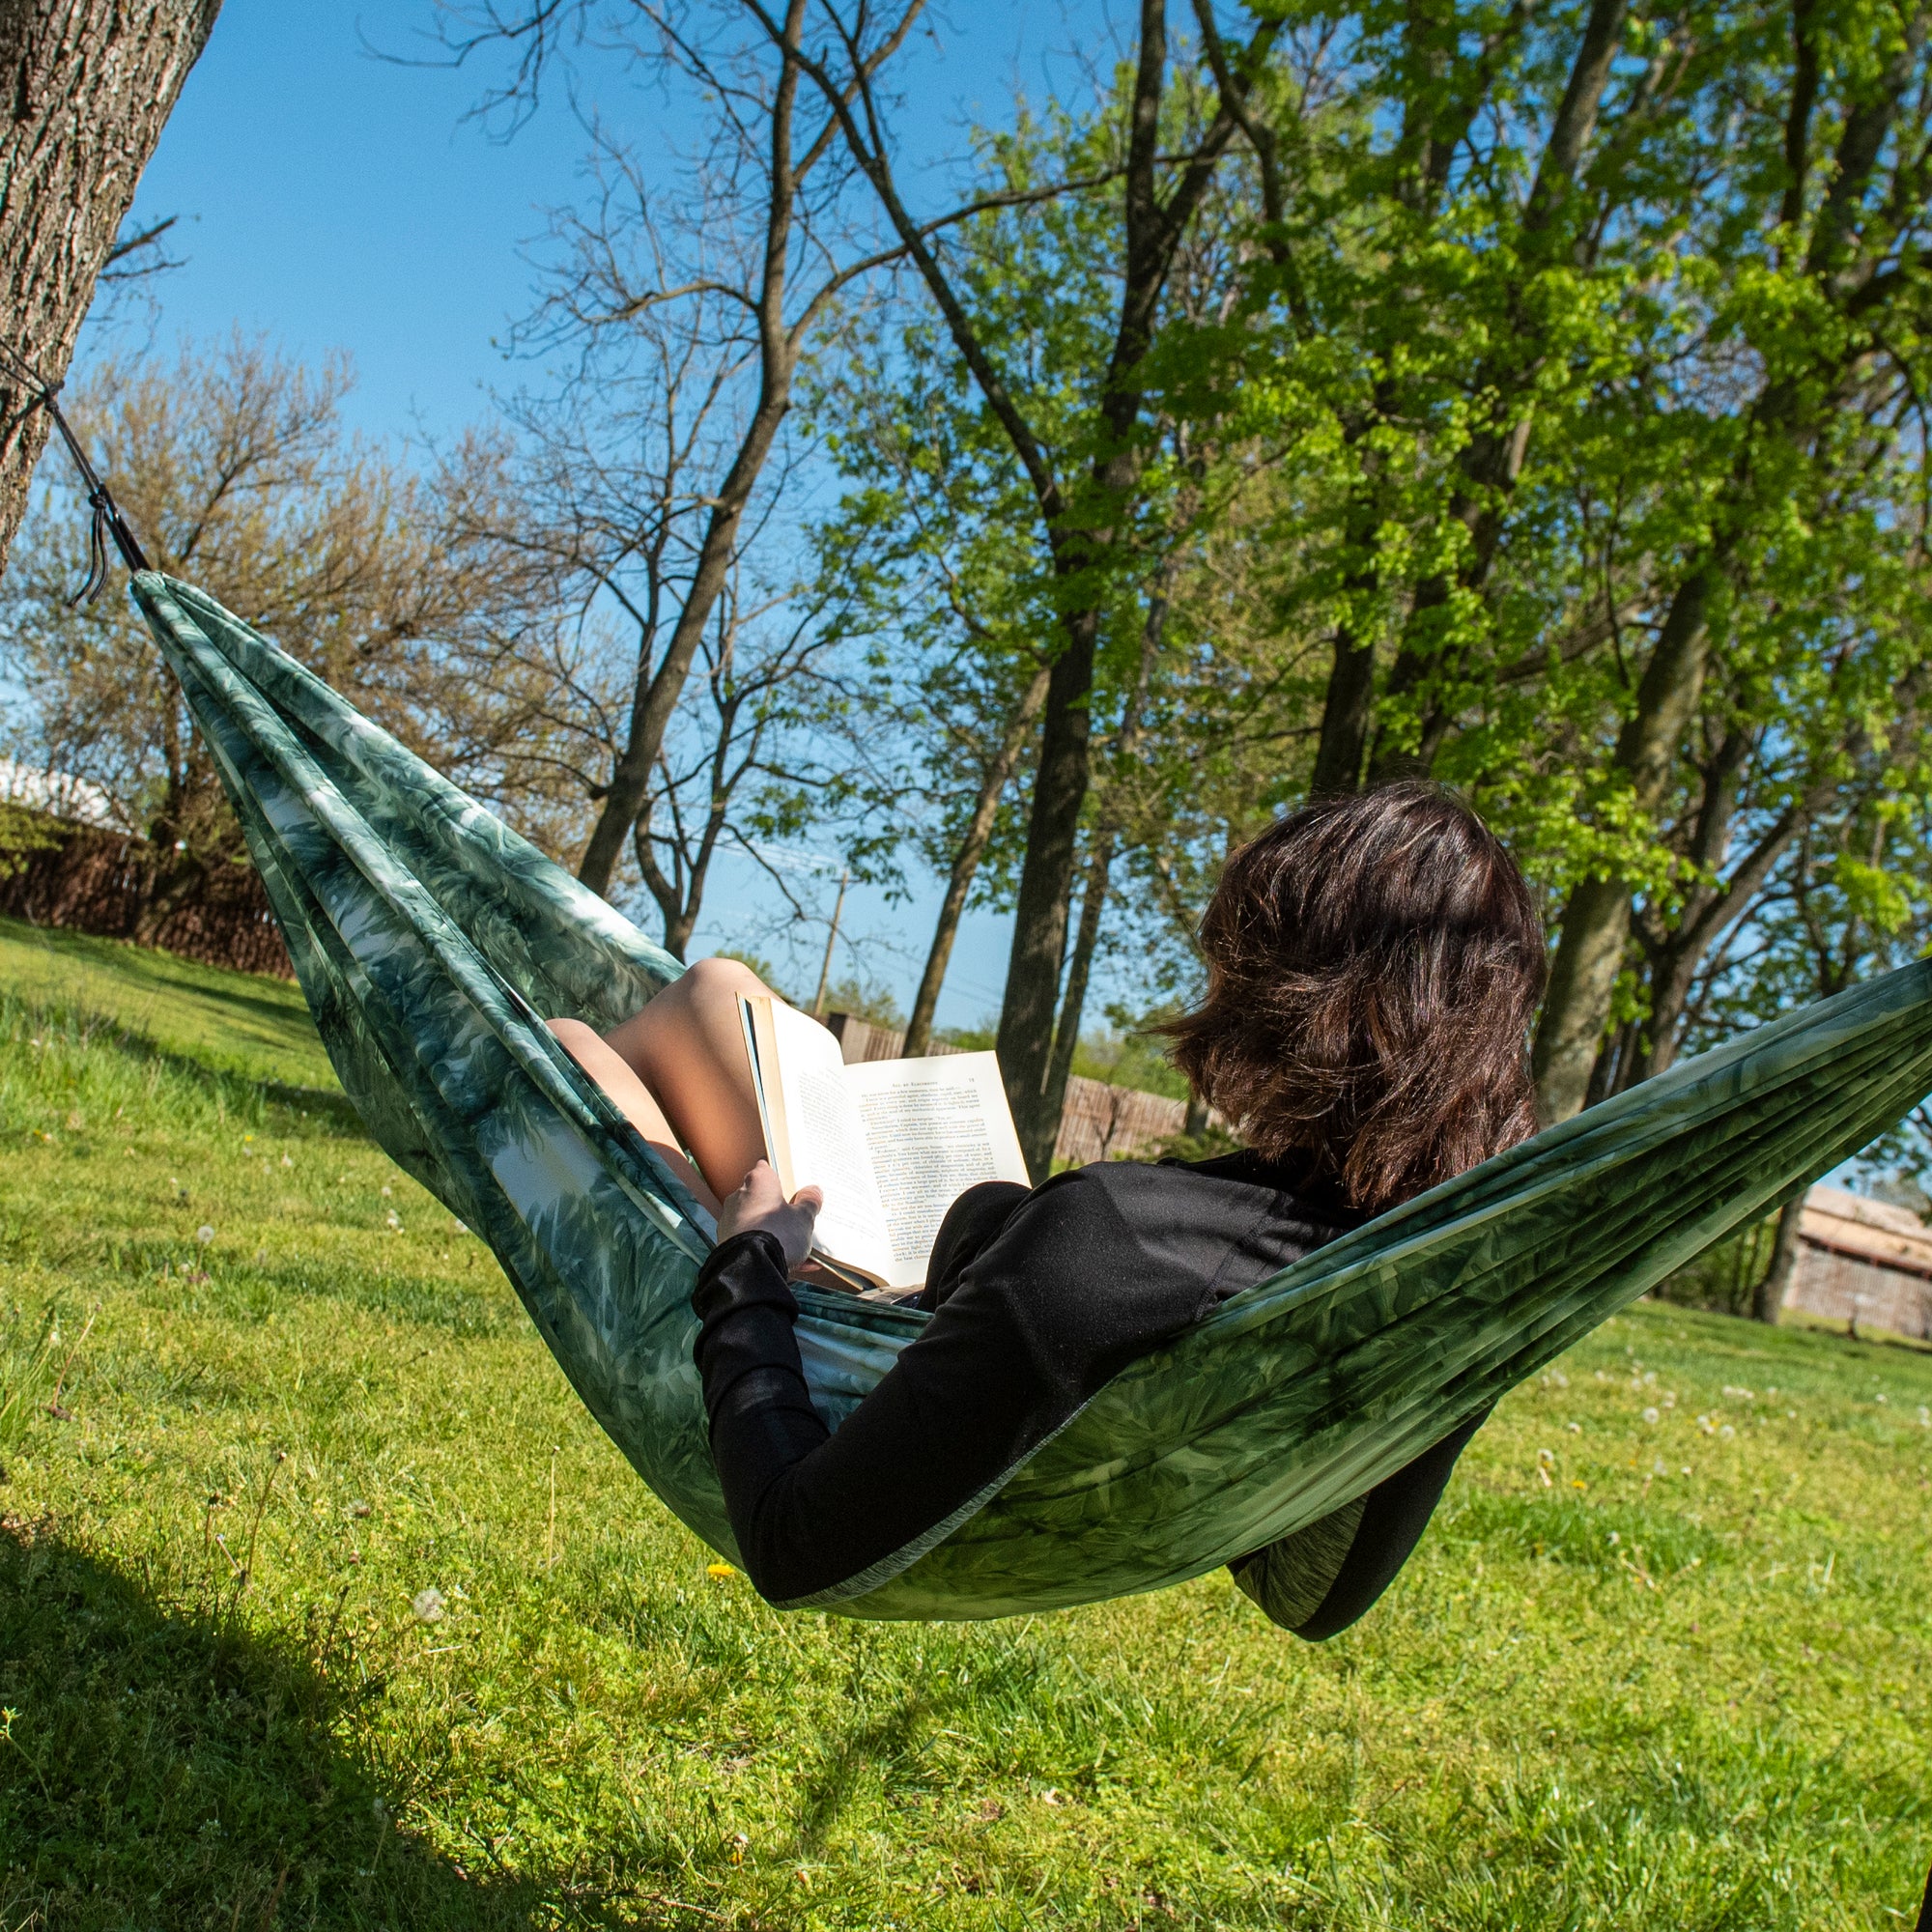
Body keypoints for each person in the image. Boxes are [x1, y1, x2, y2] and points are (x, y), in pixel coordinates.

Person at [549, 781, 1548, 1627]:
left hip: (825, 1363)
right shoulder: (1425, 1271)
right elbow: (1320, 1593)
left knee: (573, 1050)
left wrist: (749, 1270)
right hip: (983, 1329)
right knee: (714, 994)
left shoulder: (1105, 1246)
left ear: (1292, 993)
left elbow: (791, 1540)